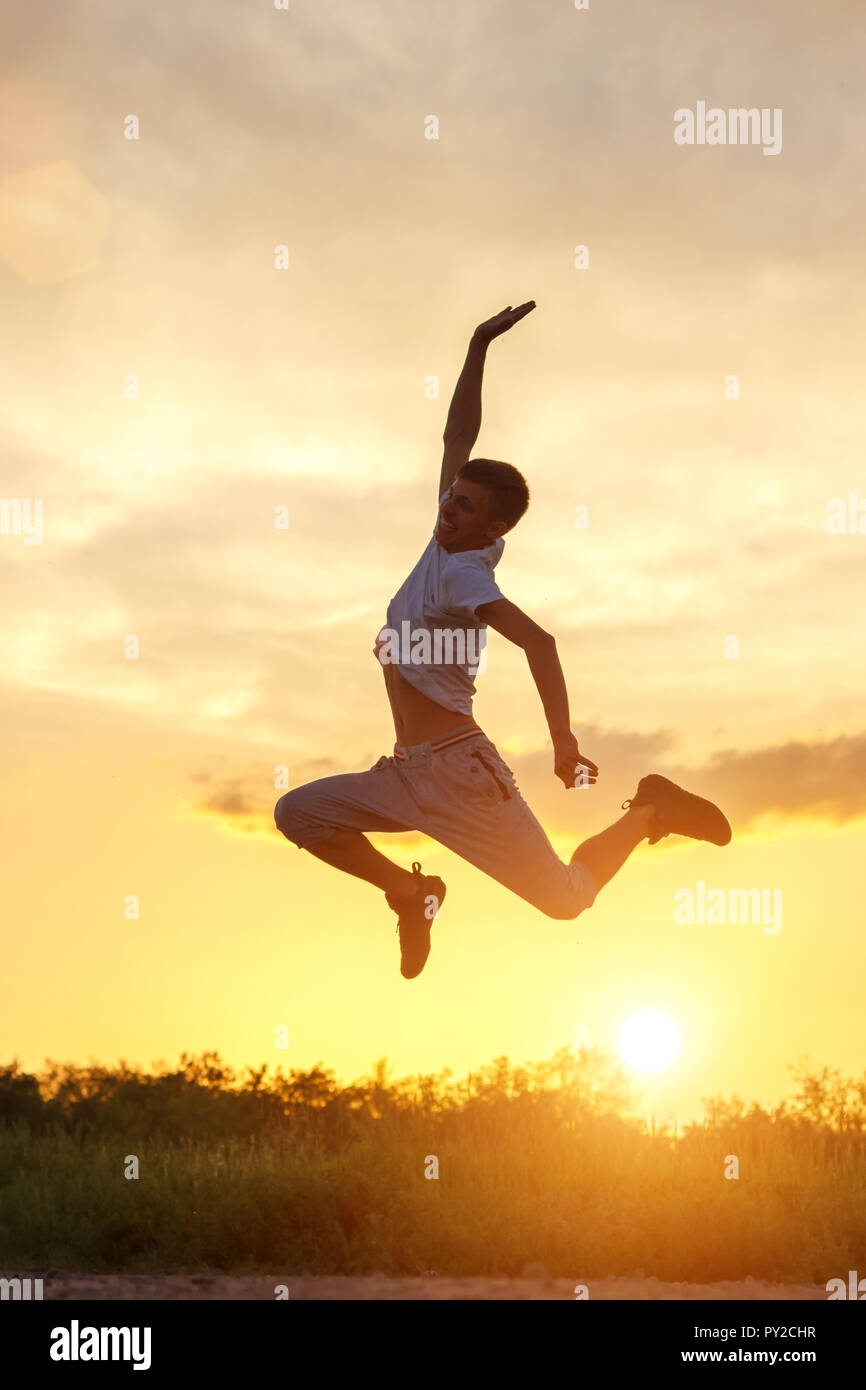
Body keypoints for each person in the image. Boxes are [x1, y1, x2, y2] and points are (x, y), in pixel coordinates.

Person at [275, 302, 731, 978]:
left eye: (463, 507)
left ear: (492, 531)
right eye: (450, 498)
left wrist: (565, 743)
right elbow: (457, 436)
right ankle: (411, 893)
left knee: (566, 901)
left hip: (464, 777)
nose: (447, 509)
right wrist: (479, 343)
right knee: (298, 814)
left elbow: (540, 645)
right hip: (407, 772)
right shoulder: (442, 540)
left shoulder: (462, 573)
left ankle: (651, 810)